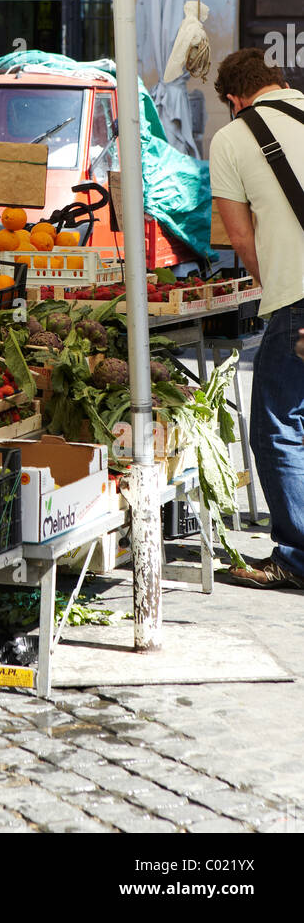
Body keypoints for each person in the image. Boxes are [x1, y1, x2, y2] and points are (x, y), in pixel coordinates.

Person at [210, 47, 304, 590]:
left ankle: (295, 557)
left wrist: (276, 287)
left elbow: (241, 239)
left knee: (278, 427)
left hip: (299, 298)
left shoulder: (233, 137)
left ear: (232, 99)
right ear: (278, 81)